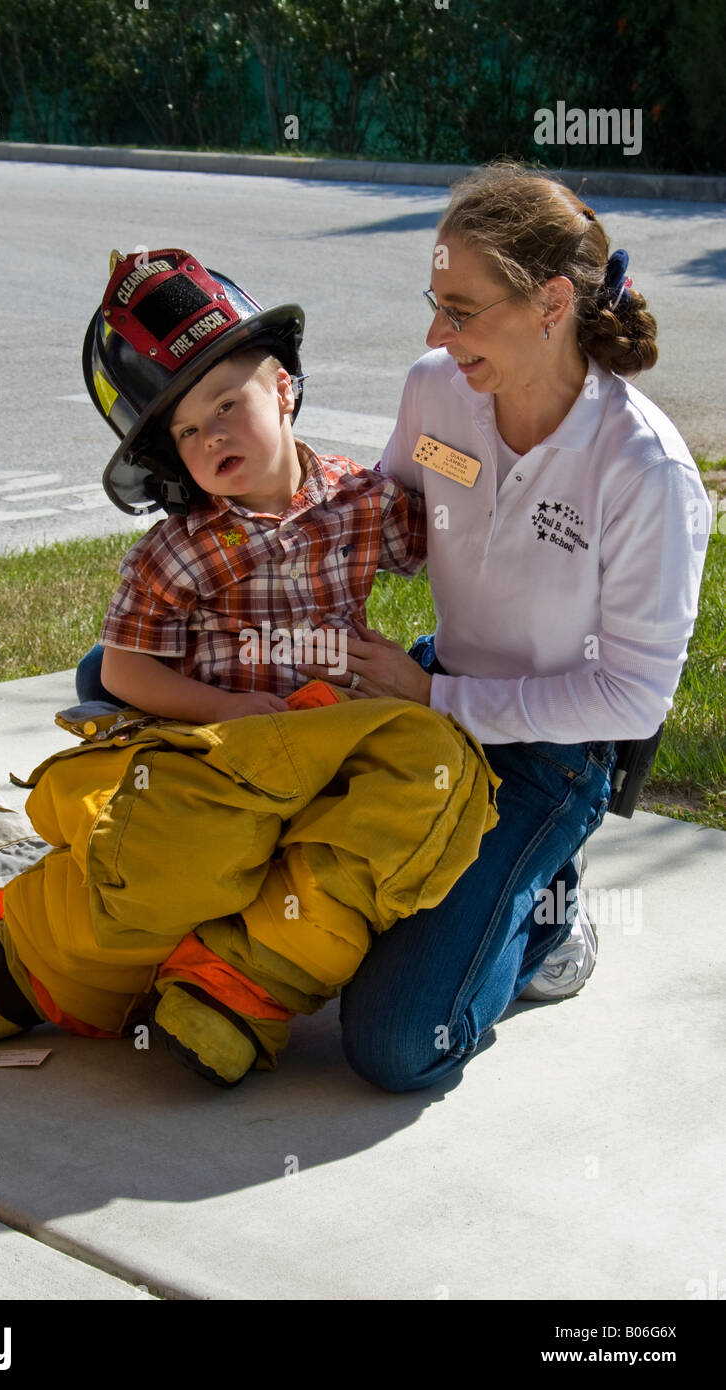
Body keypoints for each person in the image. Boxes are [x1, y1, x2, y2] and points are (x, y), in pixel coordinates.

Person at [293, 160, 711, 1091]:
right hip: (432, 694)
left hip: (551, 755)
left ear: (553, 303)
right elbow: (392, 523)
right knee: (114, 674)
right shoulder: (438, 390)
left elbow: (635, 693)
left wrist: (438, 695)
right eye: (435, 302)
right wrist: (267, 512)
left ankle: (550, 923)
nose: (436, 333)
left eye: (463, 309)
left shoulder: (644, 471)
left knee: (397, 1044)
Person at [78, 247, 428, 718]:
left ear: (283, 391)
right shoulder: (177, 551)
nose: (212, 437)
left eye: (225, 406)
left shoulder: (362, 498)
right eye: (187, 431)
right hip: (235, 745)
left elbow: (454, 550)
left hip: (349, 721)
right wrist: (223, 708)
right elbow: (121, 672)